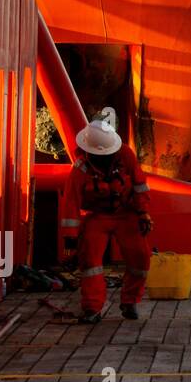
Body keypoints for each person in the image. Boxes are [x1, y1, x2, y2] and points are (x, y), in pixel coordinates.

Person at [66, 114, 152, 322]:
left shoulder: (126, 155)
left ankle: (130, 301)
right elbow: (70, 204)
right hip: (98, 217)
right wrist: (70, 240)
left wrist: (143, 212)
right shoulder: (80, 169)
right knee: (90, 262)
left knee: (140, 258)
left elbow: (140, 185)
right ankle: (92, 308)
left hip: (126, 214)